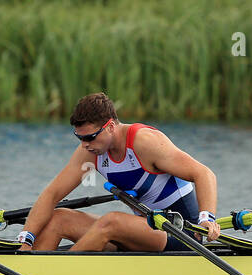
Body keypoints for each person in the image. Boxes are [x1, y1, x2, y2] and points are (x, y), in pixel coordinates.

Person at [14, 93, 221, 252]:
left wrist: (207, 219)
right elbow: (52, 194)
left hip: (182, 235)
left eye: (91, 137)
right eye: (80, 139)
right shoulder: (90, 151)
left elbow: (204, 174)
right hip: (141, 231)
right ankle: (29, 270)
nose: (85, 145)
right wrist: (26, 238)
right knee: (59, 218)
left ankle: (56, 274)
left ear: (111, 126)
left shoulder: (145, 142)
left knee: (111, 221)